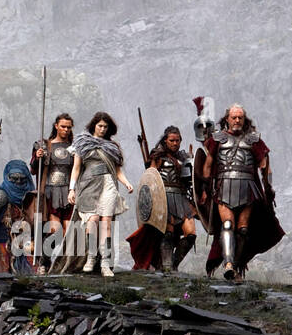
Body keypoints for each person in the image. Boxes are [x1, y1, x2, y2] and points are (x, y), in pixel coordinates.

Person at [200, 103, 282, 281]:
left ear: (244, 120)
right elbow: (207, 166)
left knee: (243, 230)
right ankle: (228, 263)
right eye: (234, 117)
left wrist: (268, 188)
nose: (237, 120)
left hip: (248, 188)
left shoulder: (254, 140)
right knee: (228, 225)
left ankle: (234, 267)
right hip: (224, 186)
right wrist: (206, 189)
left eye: (240, 117)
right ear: (227, 119)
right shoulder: (217, 139)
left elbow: (265, 166)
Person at [68, 111, 133, 277]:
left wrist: (126, 183)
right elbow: (76, 168)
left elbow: (117, 170)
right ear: (94, 125)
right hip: (88, 185)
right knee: (92, 220)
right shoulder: (82, 142)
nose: (103, 129)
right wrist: (71, 188)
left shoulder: (112, 147)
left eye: (106, 126)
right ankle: (91, 256)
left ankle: (105, 263)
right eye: (100, 126)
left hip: (108, 185)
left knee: (106, 223)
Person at [129, 126, 197, 272]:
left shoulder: (183, 158)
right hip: (163, 197)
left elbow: (190, 180)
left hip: (181, 197)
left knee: (191, 234)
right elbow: (150, 178)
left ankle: (173, 263)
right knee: (168, 233)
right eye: (172, 140)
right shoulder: (158, 156)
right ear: (165, 140)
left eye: (177, 140)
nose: (175, 143)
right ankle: (166, 267)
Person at [29, 112, 75, 272]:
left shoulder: (74, 147)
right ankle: (44, 262)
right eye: (63, 126)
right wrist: (38, 157)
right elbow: (34, 170)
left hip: (69, 193)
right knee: (55, 231)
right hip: (50, 192)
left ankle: (60, 266)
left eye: (69, 127)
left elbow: (79, 170)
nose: (66, 129)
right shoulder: (45, 145)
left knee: (68, 233)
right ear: (56, 126)